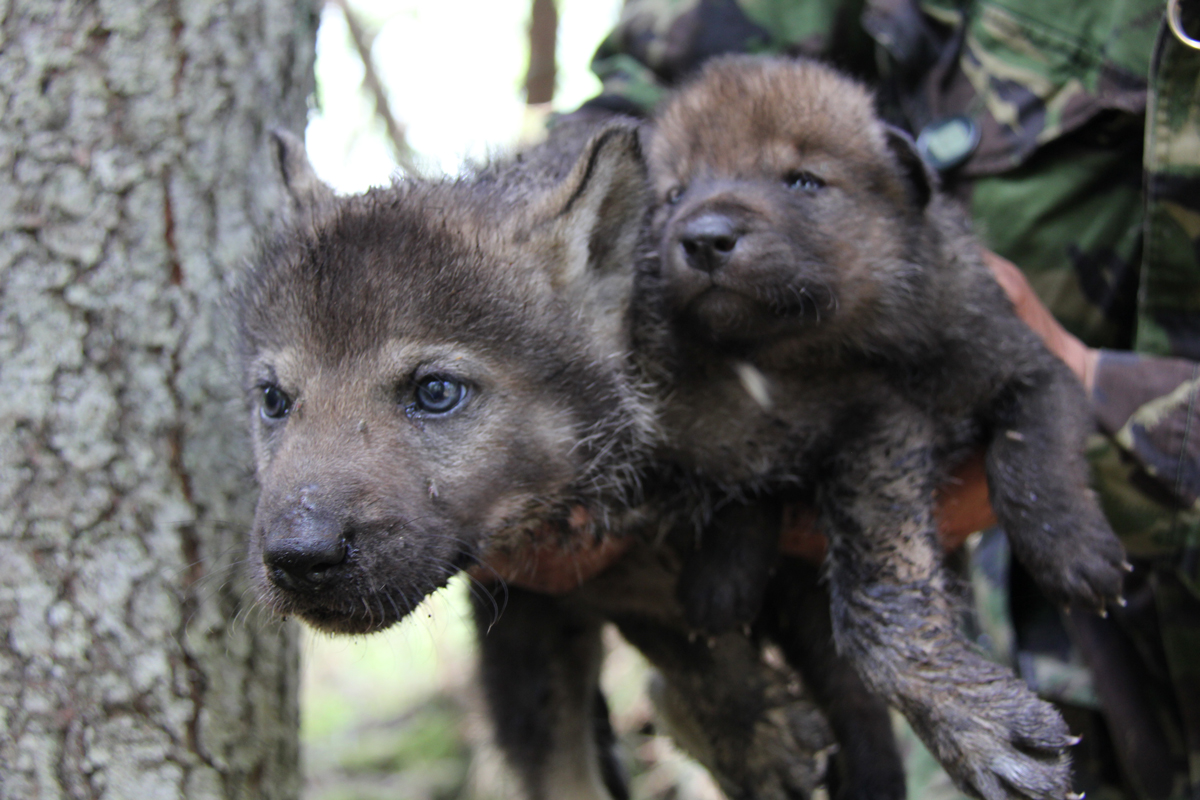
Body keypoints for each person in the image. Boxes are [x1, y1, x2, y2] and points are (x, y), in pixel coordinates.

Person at [484, 1, 1200, 797]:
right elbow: (630, 107)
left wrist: (1097, 420)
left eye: (798, 181)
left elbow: (1026, 382)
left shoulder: (946, 297)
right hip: (1012, 652)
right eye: (677, 195)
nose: (706, 220)